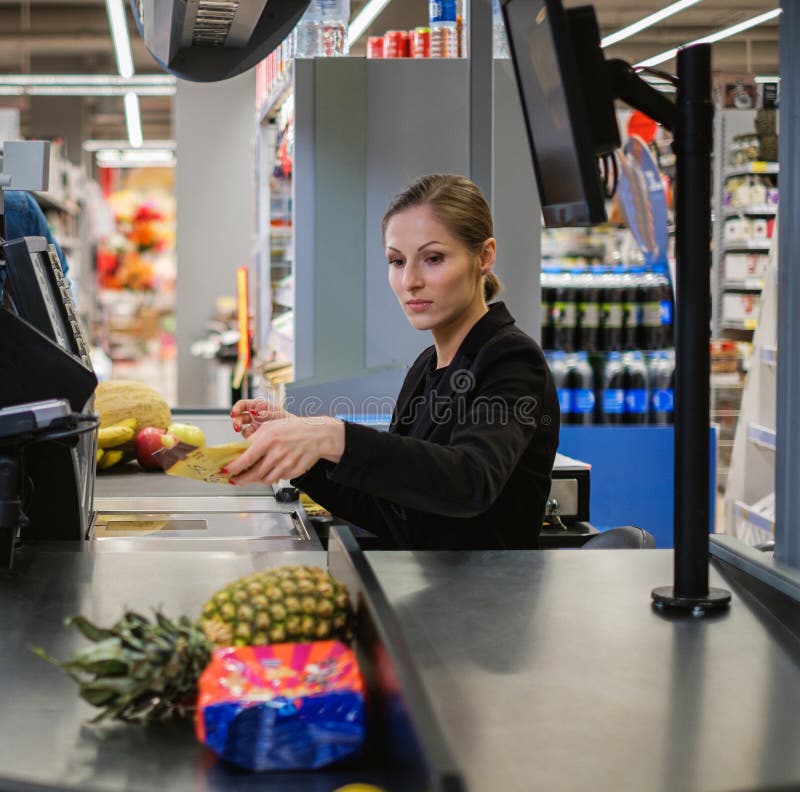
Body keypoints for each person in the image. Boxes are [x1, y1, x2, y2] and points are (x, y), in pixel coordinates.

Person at [226, 174, 560, 550]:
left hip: (488, 602)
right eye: (397, 261)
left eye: (433, 258)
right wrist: (305, 457)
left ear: (484, 256)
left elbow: (471, 481)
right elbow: (396, 514)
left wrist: (333, 435)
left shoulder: (511, 359)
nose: (410, 280)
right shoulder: (426, 367)